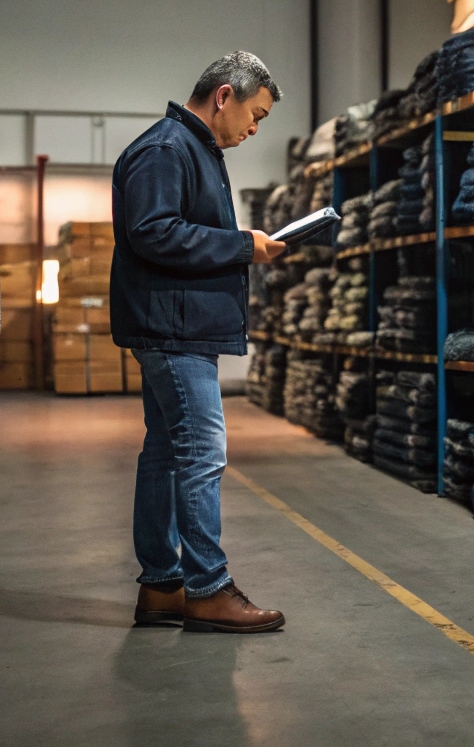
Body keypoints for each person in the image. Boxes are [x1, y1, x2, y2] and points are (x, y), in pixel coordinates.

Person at [110, 51, 288, 633]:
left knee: (165, 454)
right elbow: (153, 232)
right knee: (202, 454)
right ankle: (207, 588)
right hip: (174, 329)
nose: (254, 128)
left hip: (180, 325)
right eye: (254, 114)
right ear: (223, 96)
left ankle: (162, 586)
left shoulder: (194, 150)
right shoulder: (167, 149)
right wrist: (242, 245)